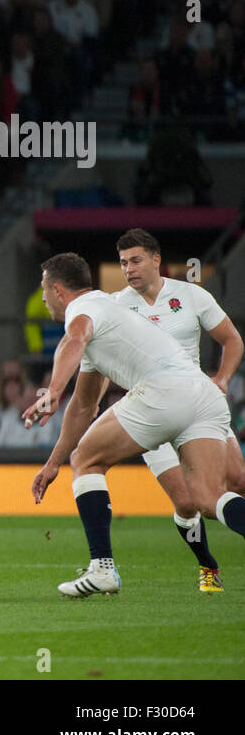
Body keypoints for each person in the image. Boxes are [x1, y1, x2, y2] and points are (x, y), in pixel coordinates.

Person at [25, 253, 245, 597]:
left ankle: (102, 569)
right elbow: (84, 405)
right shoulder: (108, 312)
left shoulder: (82, 312)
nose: (42, 298)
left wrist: (52, 390)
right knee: (208, 498)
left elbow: (75, 337)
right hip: (202, 394)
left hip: (164, 393)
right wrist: (53, 463)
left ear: (57, 289)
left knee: (86, 461)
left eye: (43, 289)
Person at [109, 228, 245, 592]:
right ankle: (208, 566)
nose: (129, 269)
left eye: (135, 260)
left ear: (156, 259)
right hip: (151, 412)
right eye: (123, 263)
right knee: (188, 503)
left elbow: (231, 339)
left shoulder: (190, 295)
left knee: (239, 482)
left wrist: (223, 378)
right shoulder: (118, 306)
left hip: (197, 403)